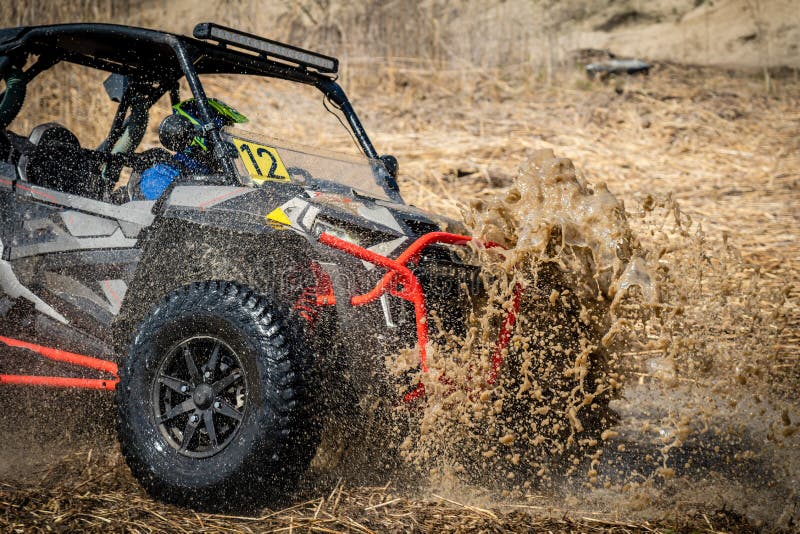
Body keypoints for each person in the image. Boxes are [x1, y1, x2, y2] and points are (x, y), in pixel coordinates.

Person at [139, 97, 248, 200]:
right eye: (221, 134)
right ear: (194, 131)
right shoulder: (161, 173)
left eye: (228, 135)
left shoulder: (219, 174)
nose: (227, 142)